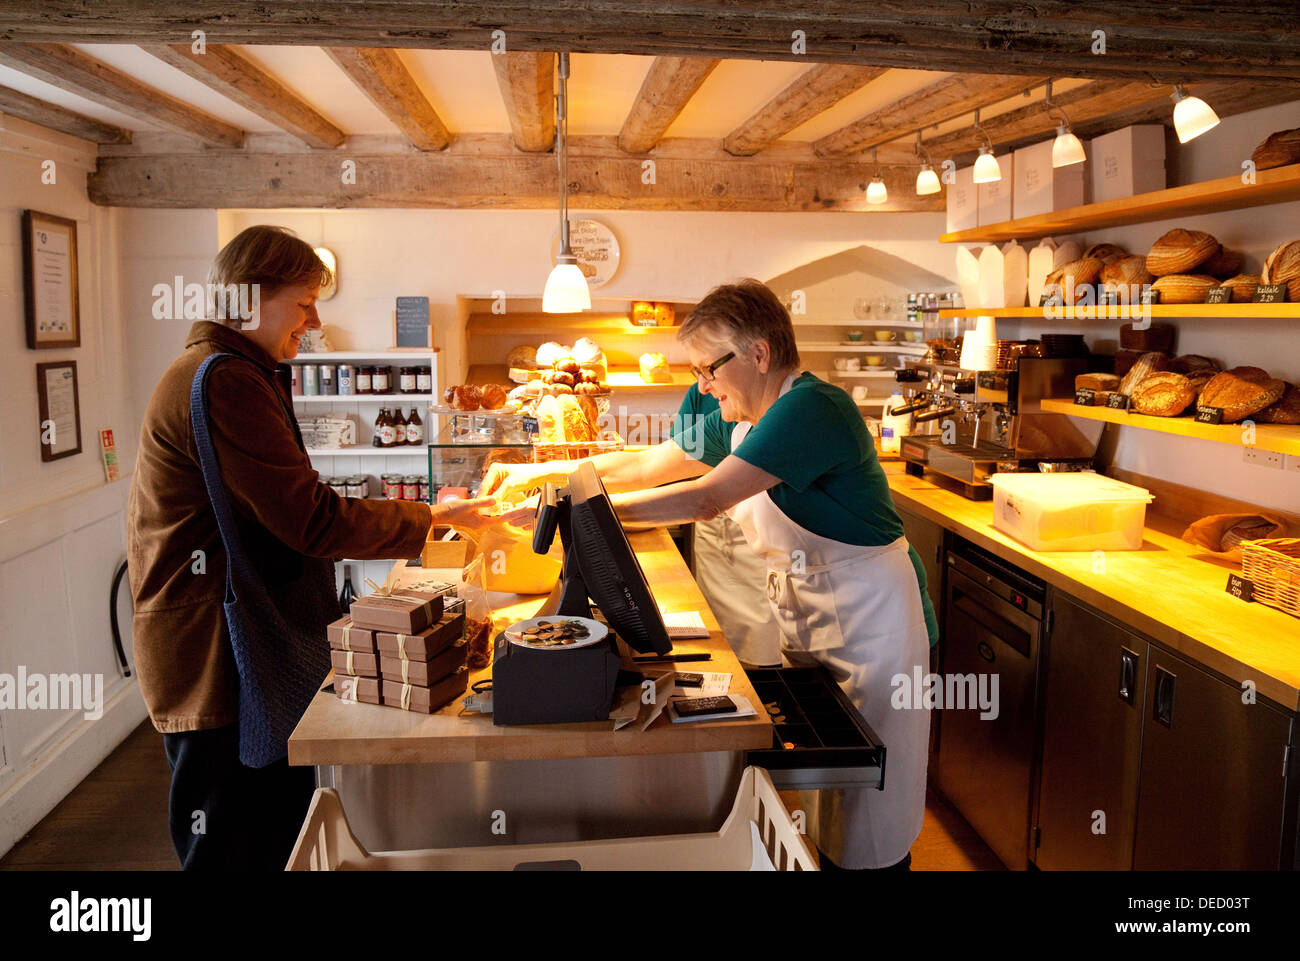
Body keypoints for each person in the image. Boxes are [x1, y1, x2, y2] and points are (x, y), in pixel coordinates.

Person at [486, 279, 936, 870]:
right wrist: (552, 477)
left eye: (708, 368)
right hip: (816, 618)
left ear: (759, 354)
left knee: (871, 818)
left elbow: (706, 498)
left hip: (874, 629)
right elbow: (649, 464)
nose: (701, 386)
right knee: (826, 804)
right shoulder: (744, 416)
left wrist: (572, 511)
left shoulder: (812, 409)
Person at [127, 225, 496, 870]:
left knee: (271, 825)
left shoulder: (238, 372)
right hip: (217, 651)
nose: (315, 318)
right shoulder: (225, 382)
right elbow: (311, 521)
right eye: (303, 302)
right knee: (232, 839)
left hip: (225, 645)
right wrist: (431, 517)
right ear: (251, 297)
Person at [672, 384, 781, 668]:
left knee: (764, 623)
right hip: (714, 521)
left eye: (709, 368)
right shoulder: (698, 395)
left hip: (754, 519)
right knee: (719, 629)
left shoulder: (788, 413)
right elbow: (680, 452)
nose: (704, 383)